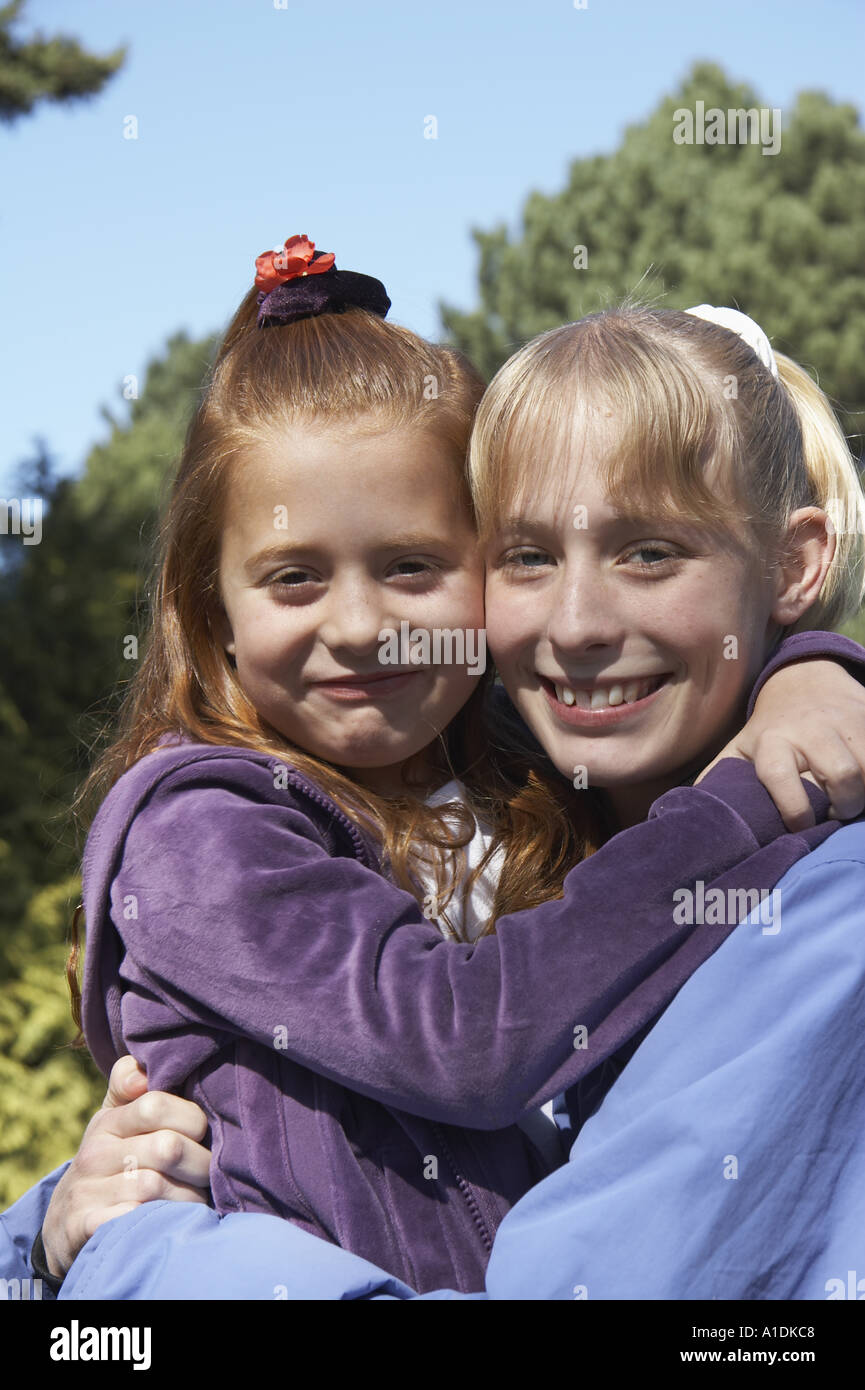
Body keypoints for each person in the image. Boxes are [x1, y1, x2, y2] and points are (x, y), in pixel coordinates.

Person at [4, 268, 865, 1297]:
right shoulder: (199, 831)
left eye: (413, 565)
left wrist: (811, 670)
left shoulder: (532, 791)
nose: (363, 626)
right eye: (294, 576)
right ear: (213, 608)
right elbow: (460, 1038)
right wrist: (57, 1223)